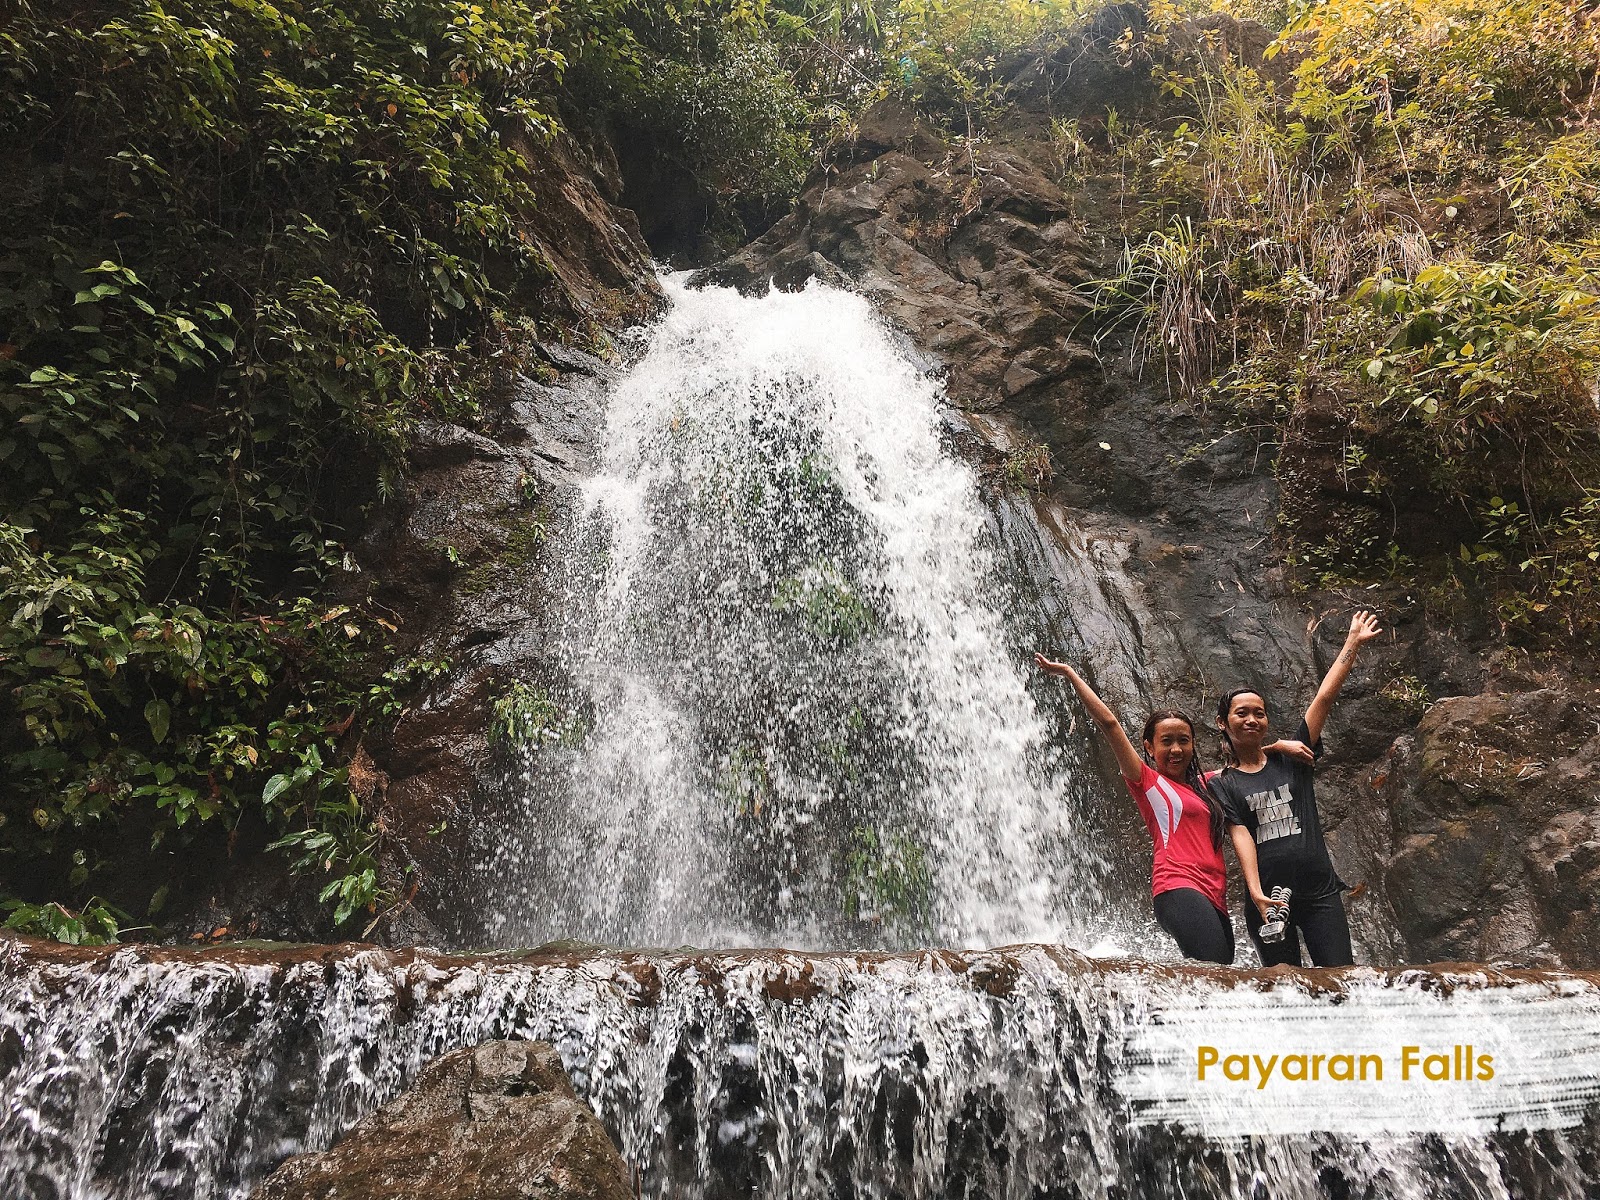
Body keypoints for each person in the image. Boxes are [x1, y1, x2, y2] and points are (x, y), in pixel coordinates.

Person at [1034, 654, 1309, 964]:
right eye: (1166, 741)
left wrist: (1277, 747)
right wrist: (1070, 674)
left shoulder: (1209, 785)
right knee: (1214, 967)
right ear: (1150, 747)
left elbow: (1244, 766)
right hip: (1177, 886)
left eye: (1184, 741)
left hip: (1214, 893)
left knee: (1221, 969)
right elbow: (1110, 724)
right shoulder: (1147, 782)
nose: (1176, 749)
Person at [1209, 609, 1383, 968]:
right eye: (1241, 713)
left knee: (1341, 976)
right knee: (1285, 984)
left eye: (1259, 712)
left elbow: (1323, 699)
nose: (1252, 719)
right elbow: (1240, 836)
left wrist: (1352, 641)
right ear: (1222, 723)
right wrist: (1255, 893)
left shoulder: (1294, 758)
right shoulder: (1223, 784)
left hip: (1320, 892)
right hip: (1268, 899)